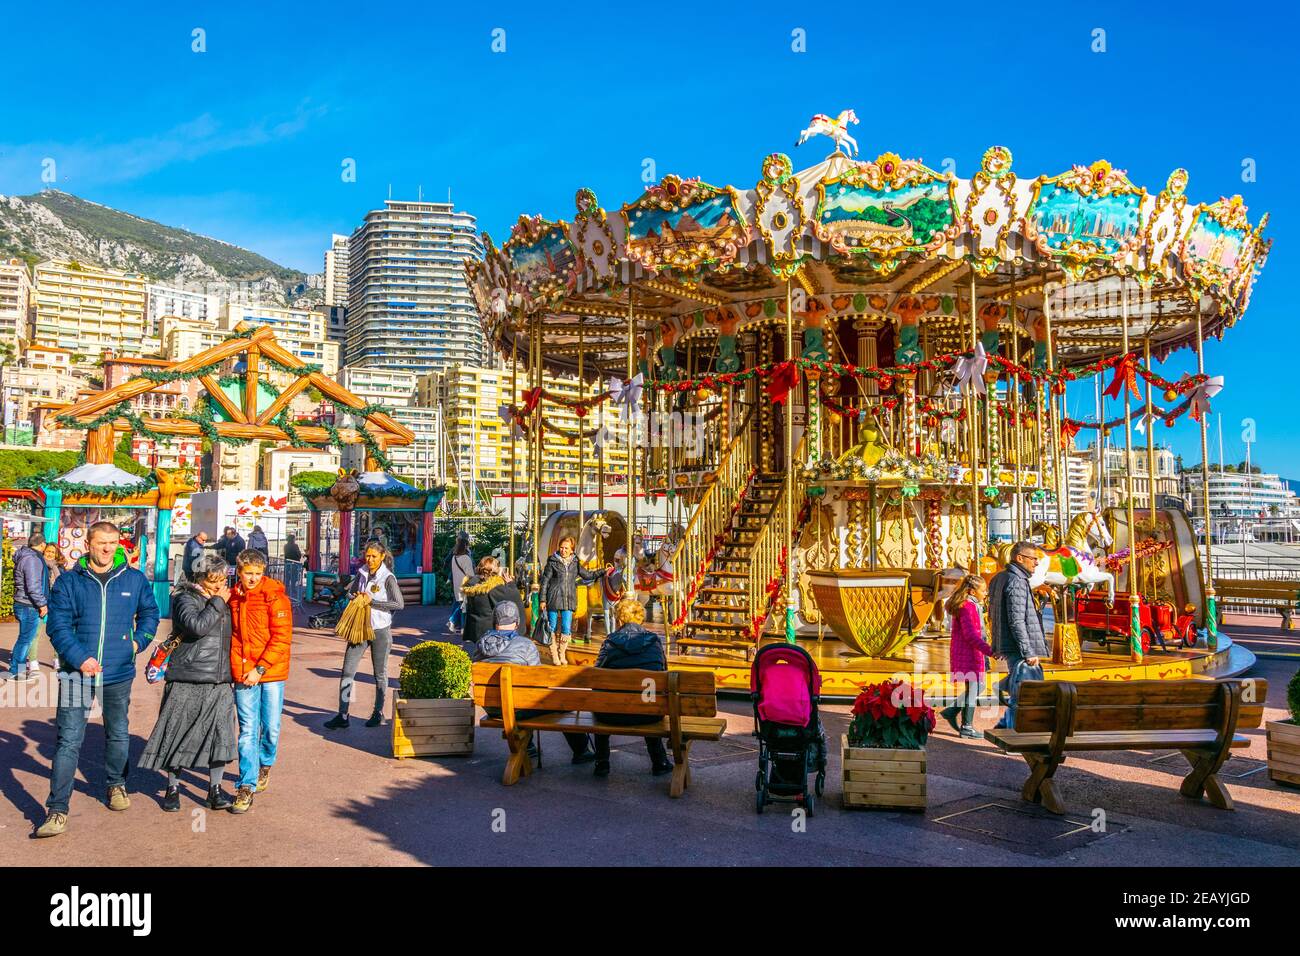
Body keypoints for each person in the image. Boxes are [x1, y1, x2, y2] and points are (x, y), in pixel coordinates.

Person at [35, 522, 160, 838]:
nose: (108, 549)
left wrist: (137, 643)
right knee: (68, 740)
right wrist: (80, 658)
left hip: (118, 673)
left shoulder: (133, 579)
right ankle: (58, 809)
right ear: (88, 544)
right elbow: (57, 627)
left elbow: (150, 615)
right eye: (101, 542)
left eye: (113, 543)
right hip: (78, 675)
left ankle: (116, 784)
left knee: (118, 732)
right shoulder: (69, 582)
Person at [138, 554, 237, 811]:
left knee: (220, 735)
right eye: (214, 580)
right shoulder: (185, 598)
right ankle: (173, 787)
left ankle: (214, 790)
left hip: (219, 677)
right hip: (189, 675)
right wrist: (217, 601)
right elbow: (196, 626)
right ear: (200, 578)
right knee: (177, 732)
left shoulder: (222, 600)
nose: (219, 585)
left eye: (222, 579)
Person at [471, 602, 596, 764]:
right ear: (516, 622)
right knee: (562, 702)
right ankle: (581, 750)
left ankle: (528, 747)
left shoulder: (481, 645)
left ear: (495, 622)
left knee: (520, 698)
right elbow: (538, 683)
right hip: (520, 707)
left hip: (493, 707)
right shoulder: (525, 645)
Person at [228, 548, 294, 813]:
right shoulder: (233, 597)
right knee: (247, 729)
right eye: (248, 574)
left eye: (257, 574)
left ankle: (265, 763)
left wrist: (261, 669)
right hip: (244, 668)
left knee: (271, 726)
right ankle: (246, 784)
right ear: (239, 572)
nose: (253, 579)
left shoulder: (275, 598)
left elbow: (281, 637)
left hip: (270, 672)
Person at [589, 599, 673, 778]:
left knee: (603, 699)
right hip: (649, 712)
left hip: (611, 714)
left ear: (619, 619)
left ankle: (602, 761)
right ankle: (659, 761)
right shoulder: (654, 641)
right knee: (648, 698)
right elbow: (663, 671)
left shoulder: (610, 642)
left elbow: (596, 675)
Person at [324, 543, 403, 730]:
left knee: (380, 673)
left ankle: (378, 712)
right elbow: (350, 592)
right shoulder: (362, 572)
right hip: (359, 626)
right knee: (347, 671)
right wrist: (354, 596)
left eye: (374, 556)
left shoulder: (388, 577)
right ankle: (343, 714)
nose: (370, 560)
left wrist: (372, 601)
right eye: (367, 556)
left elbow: (398, 604)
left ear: (382, 556)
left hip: (380, 629)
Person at [989, 541, 1049, 731]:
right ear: (1020, 558)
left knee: (1020, 688)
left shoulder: (1000, 578)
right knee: (1023, 693)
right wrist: (1028, 651)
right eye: (1033, 559)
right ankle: (1014, 732)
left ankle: (1006, 725)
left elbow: (994, 615)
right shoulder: (1017, 581)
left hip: (1008, 643)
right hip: (1018, 646)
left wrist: (997, 643)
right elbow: (1016, 620)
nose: (1036, 563)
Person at [939, 574, 994, 739]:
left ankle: (952, 711)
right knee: (975, 687)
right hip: (970, 652)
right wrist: (989, 650)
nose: (985, 594)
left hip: (972, 651)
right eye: (983, 590)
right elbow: (970, 635)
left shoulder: (971, 605)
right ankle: (966, 726)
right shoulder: (967, 607)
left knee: (978, 686)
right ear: (972, 591)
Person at [538, 535, 602, 666]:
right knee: (552, 627)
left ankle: (562, 653)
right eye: (561, 547)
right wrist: (542, 599)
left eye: (566, 548)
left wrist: (602, 572)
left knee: (566, 628)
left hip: (569, 598)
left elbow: (587, 575)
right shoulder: (552, 561)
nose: (563, 550)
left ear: (572, 549)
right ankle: (554, 654)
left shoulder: (575, 562)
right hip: (554, 597)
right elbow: (545, 581)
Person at [5, 532, 49, 682]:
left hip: (24, 603)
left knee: (24, 638)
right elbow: (33, 585)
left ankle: (17, 670)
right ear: (42, 544)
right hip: (28, 604)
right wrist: (42, 604)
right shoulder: (32, 559)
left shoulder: (26, 556)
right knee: (26, 639)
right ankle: (16, 672)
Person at [461, 555, 526, 647]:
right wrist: (511, 584)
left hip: (475, 629)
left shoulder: (472, 583)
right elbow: (513, 599)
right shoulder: (494, 587)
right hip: (489, 631)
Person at [32, 542, 68, 674]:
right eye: (48, 551)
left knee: (58, 632)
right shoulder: (38, 564)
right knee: (35, 633)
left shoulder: (60, 567)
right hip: (40, 602)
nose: (50, 554)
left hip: (57, 602)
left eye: (53, 552)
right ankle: (33, 660)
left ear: (57, 553)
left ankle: (57, 658)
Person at [446, 533, 473, 634]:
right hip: (465, 584)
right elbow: (470, 573)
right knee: (463, 607)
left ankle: (454, 623)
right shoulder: (466, 557)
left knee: (460, 605)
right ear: (465, 545)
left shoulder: (454, 557)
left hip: (457, 584)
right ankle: (459, 626)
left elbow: (452, 570)